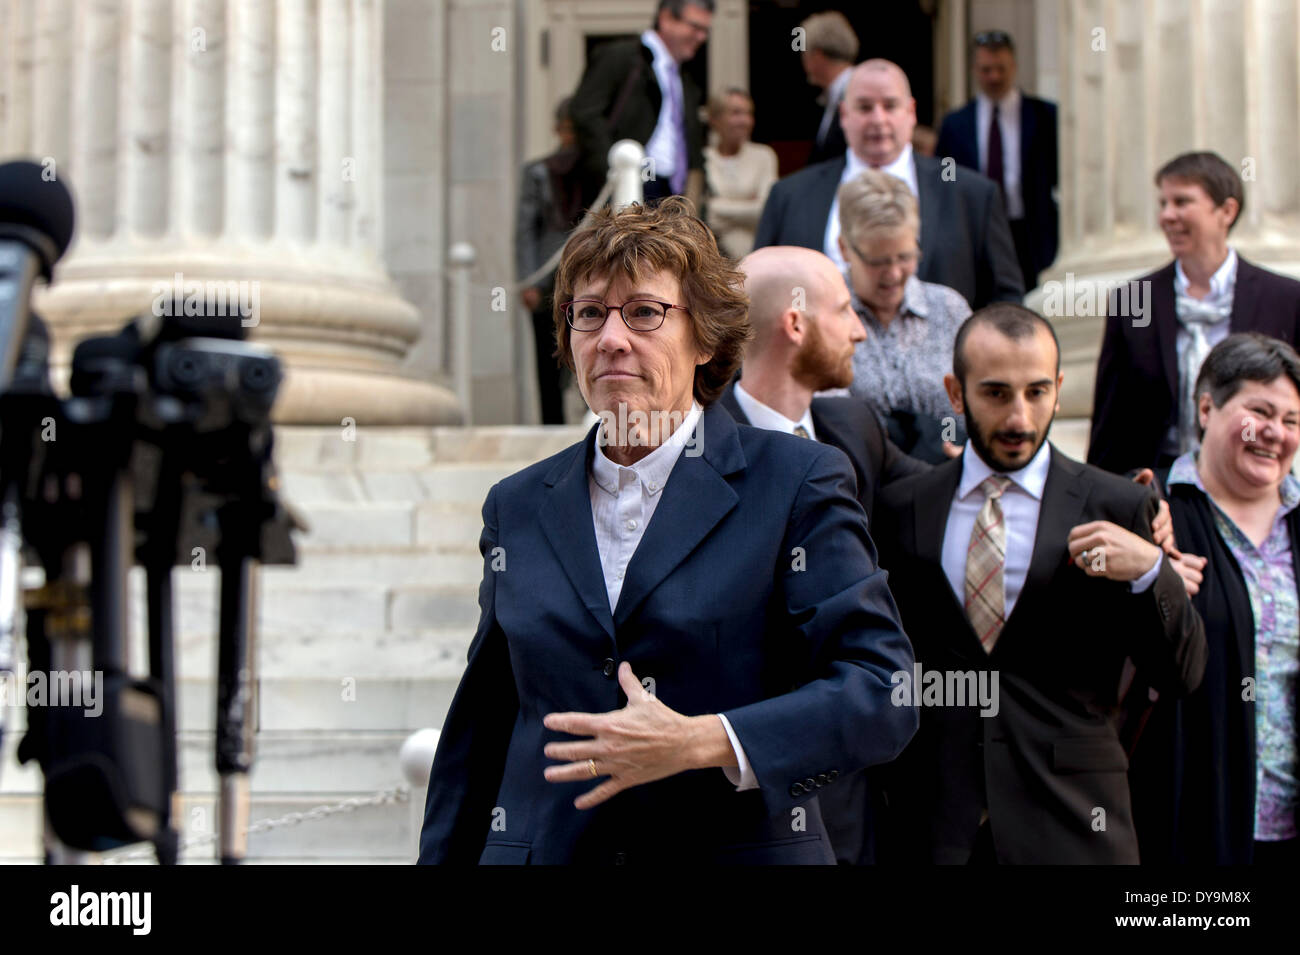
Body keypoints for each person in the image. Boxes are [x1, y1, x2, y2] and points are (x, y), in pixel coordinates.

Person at [418, 197, 918, 865]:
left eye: (645, 312)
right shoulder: (515, 506)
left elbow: (882, 688)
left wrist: (707, 739)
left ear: (707, 337)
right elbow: (480, 730)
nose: (612, 338)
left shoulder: (796, 481)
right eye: (589, 313)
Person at [872, 303, 1207, 864]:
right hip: (934, 826)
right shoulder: (904, 507)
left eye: (1036, 393)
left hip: (1075, 822)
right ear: (956, 394)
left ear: (1058, 387)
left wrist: (1152, 570)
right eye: (996, 393)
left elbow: (1183, 673)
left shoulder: (1120, 504)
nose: (1019, 419)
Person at [722, 245, 927, 865]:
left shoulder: (853, 424)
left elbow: (937, 493)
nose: (861, 329)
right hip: (744, 788)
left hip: (859, 775)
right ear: (796, 323)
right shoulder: (697, 447)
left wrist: (1121, 510)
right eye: (845, 310)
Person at [1130, 333, 1300, 865]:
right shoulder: (1151, 515)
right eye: (1259, 411)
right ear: (1206, 407)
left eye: (1292, 420)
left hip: (1290, 828)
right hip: (1188, 826)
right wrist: (1153, 585)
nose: (1274, 432)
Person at [1089, 151, 1300, 478]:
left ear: (1226, 211)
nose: (1167, 216)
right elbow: (1110, 421)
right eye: (1163, 204)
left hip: (1256, 483)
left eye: (1182, 202)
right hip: (1156, 490)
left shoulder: (1285, 298)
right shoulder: (1133, 300)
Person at [753, 59, 1024, 310]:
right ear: (844, 115)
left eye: (890, 105)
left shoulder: (972, 195)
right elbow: (757, 292)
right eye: (865, 107)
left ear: (911, 112)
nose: (878, 119)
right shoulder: (789, 196)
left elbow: (1005, 300)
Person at [837, 168, 972, 463]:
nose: (894, 274)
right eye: (878, 262)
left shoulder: (948, 308)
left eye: (905, 257)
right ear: (844, 249)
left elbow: (980, 401)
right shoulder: (826, 314)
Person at [936, 30, 1059, 291]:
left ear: (1013, 67)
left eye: (1000, 69)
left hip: (1031, 233)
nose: (994, 77)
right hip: (976, 233)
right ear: (974, 70)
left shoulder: (1045, 117)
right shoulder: (955, 125)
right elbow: (945, 180)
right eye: (986, 69)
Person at [569, 0, 711, 209]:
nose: (702, 37)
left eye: (705, 30)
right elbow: (585, 113)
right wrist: (611, 170)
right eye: (695, 27)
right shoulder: (622, 57)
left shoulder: (684, 77)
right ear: (666, 18)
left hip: (671, 192)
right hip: (628, 184)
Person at [516, 97, 583, 423]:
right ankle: (551, 428)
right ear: (559, 130)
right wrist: (528, 279)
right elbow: (525, 230)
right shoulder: (538, 172)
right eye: (569, 128)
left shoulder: (599, 173)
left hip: (585, 279)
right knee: (548, 362)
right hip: (546, 280)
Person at [702, 89, 778, 259]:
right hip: (714, 262)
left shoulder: (763, 156)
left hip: (756, 258)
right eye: (736, 113)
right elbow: (702, 215)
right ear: (715, 119)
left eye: (748, 113)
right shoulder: (704, 159)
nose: (745, 121)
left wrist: (718, 206)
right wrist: (747, 205)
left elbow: (767, 210)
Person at [799, 11, 858, 166]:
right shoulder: (832, 97)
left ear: (816, 56)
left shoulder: (858, 92)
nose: (804, 63)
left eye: (804, 54)